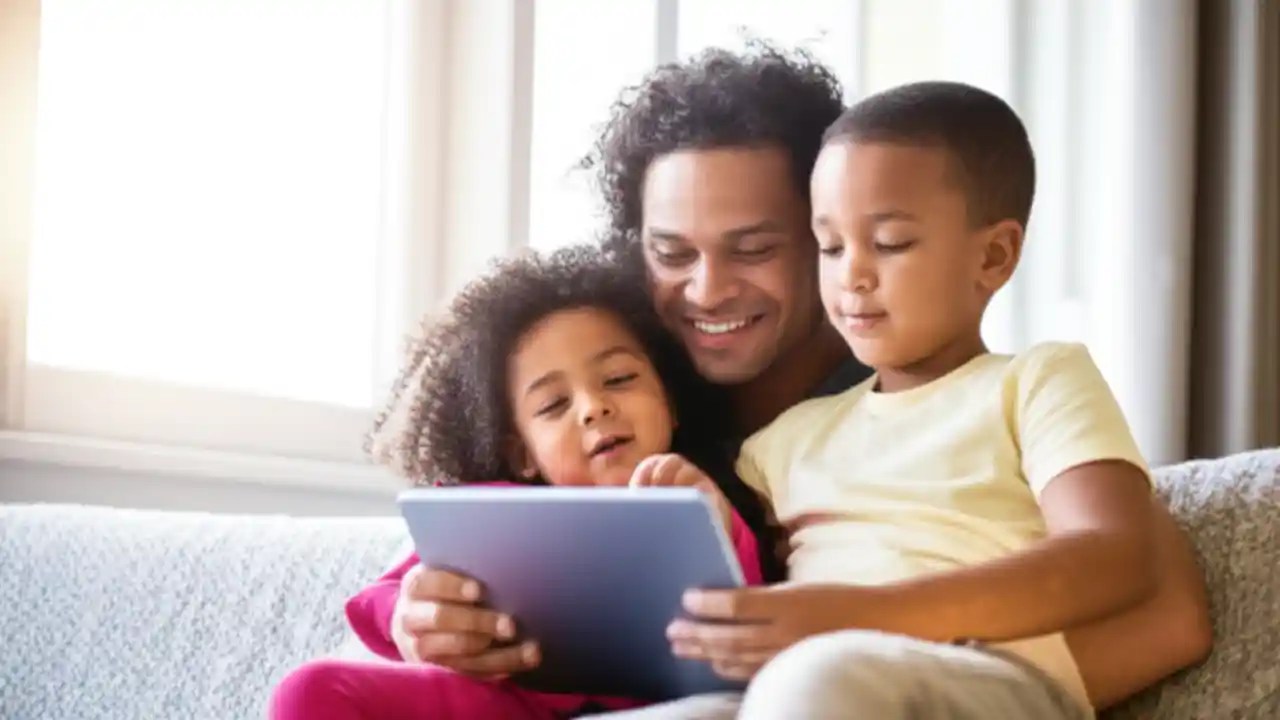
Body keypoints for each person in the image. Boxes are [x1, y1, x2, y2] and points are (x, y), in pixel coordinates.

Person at [355, 44, 1209, 717]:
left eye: (755, 248)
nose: (708, 290)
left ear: (818, 232)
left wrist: (952, 675)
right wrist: (417, 615)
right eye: (671, 253)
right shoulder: (628, 406)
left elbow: (1163, 605)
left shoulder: (956, 388)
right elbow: (463, 536)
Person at [647, 80, 1152, 719]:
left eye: (889, 243)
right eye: (831, 247)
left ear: (994, 256)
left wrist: (861, 615)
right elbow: (753, 585)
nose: (852, 275)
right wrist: (701, 518)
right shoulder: (783, 443)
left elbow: (1116, 555)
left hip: (983, 679)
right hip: (817, 685)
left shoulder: (1036, 381)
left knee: (816, 679)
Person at [269, 247, 763, 719]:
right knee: (308, 689)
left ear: (670, 403)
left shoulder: (704, 498)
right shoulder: (490, 512)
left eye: (618, 379)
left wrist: (717, 524)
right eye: (554, 405)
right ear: (522, 453)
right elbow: (387, 593)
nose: (593, 407)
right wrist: (406, 615)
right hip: (501, 701)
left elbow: (752, 621)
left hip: (665, 701)